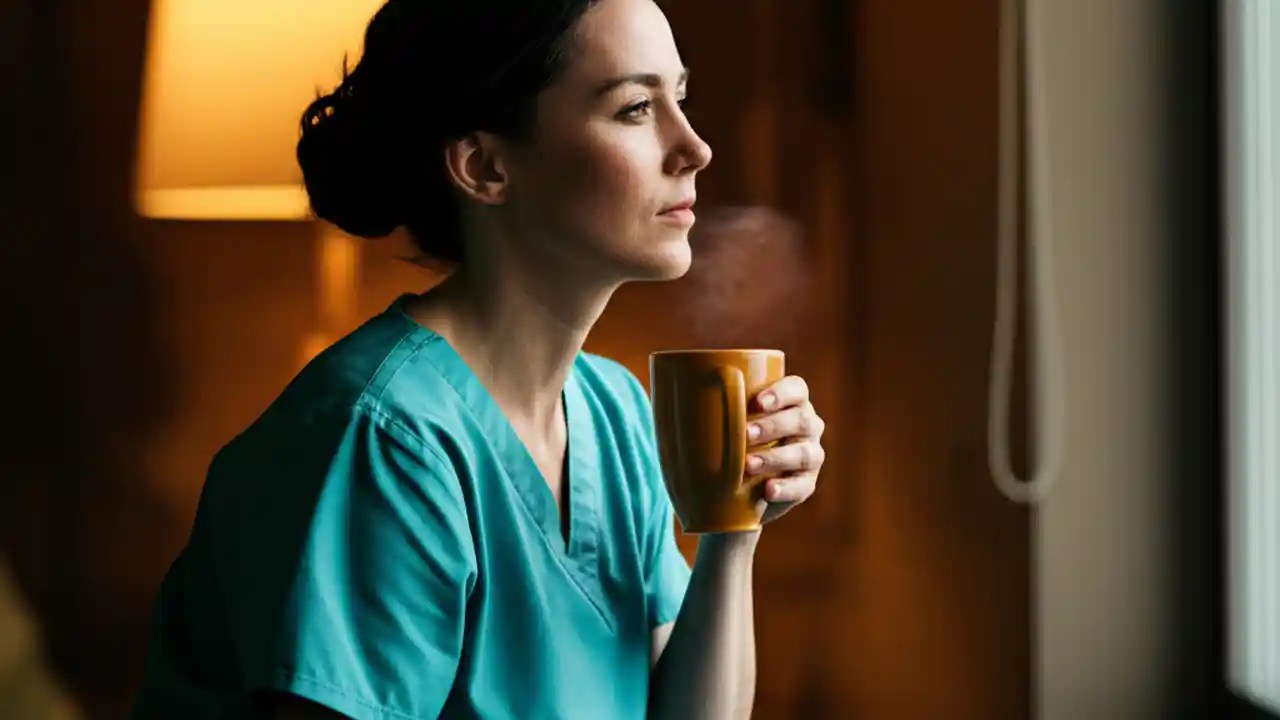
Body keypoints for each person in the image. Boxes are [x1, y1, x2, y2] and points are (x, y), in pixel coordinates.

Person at [130, 0, 827, 717]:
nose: (695, 147)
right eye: (633, 109)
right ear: (486, 165)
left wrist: (732, 528)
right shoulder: (382, 441)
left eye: (678, 99)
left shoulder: (615, 414)